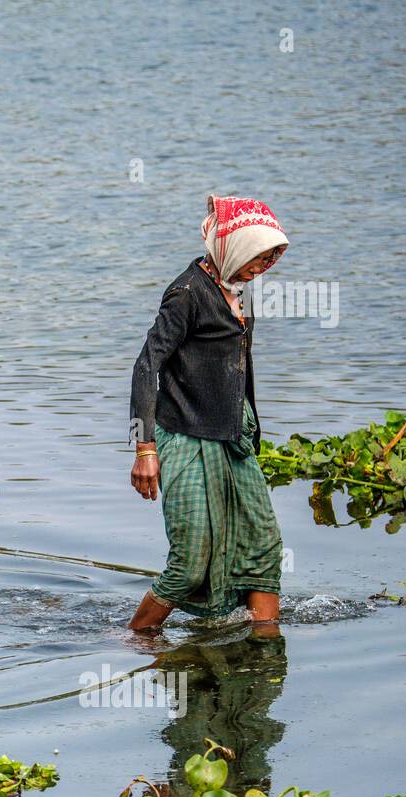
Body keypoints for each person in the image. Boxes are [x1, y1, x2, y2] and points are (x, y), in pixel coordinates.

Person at [127, 195, 288, 632]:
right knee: (190, 562)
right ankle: (136, 640)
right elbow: (147, 365)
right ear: (231, 247)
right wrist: (144, 449)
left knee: (262, 549)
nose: (262, 265)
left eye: (270, 256)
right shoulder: (186, 294)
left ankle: (262, 650)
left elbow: (242, 368)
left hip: (234, 438)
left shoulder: (238, 293)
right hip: (185, 437)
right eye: (256, 255)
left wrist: (252, 437)